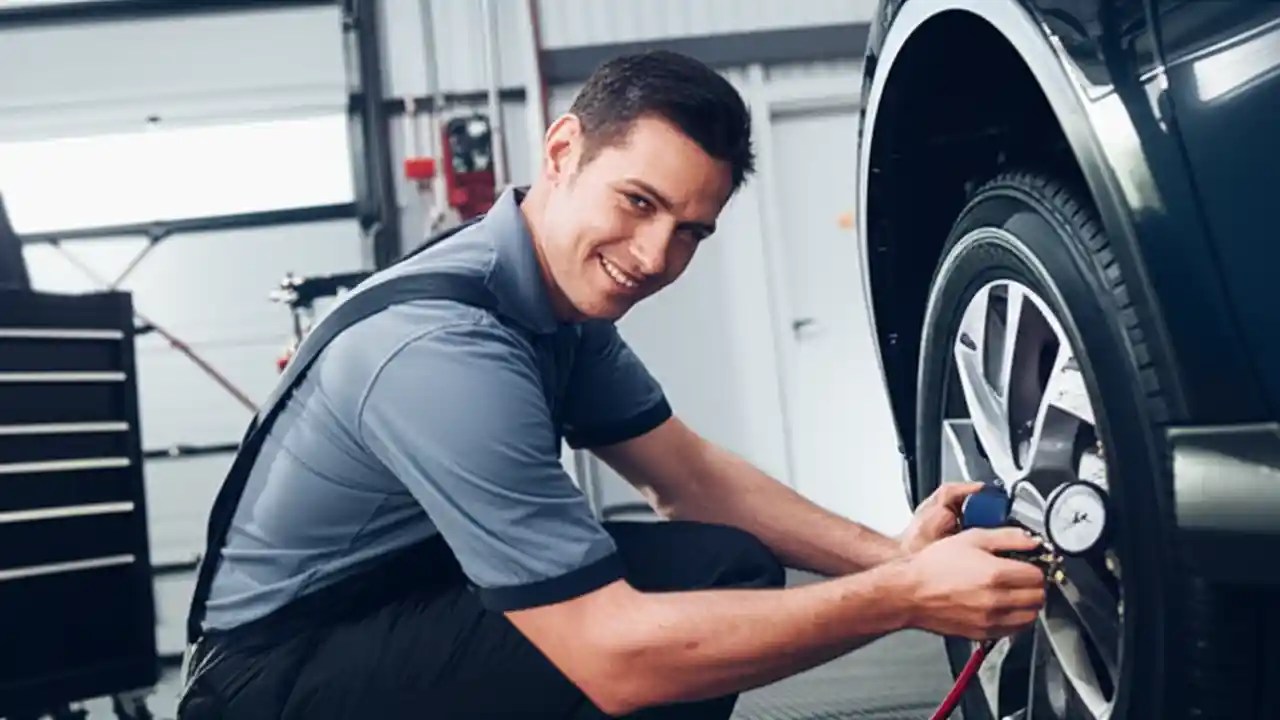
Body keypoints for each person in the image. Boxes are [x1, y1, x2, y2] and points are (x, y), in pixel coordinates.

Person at [177, 50, 1046, 719]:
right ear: (563, 151)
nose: (654, 258)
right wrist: (901, 599)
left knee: (724, 565)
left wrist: (894, 554)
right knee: (650, 634)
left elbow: (689, 479)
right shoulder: (443, 347)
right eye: (637, 201)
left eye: (690, 232)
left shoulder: (551, 298)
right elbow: (611, 657)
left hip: (400, 606)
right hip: (271, 678)